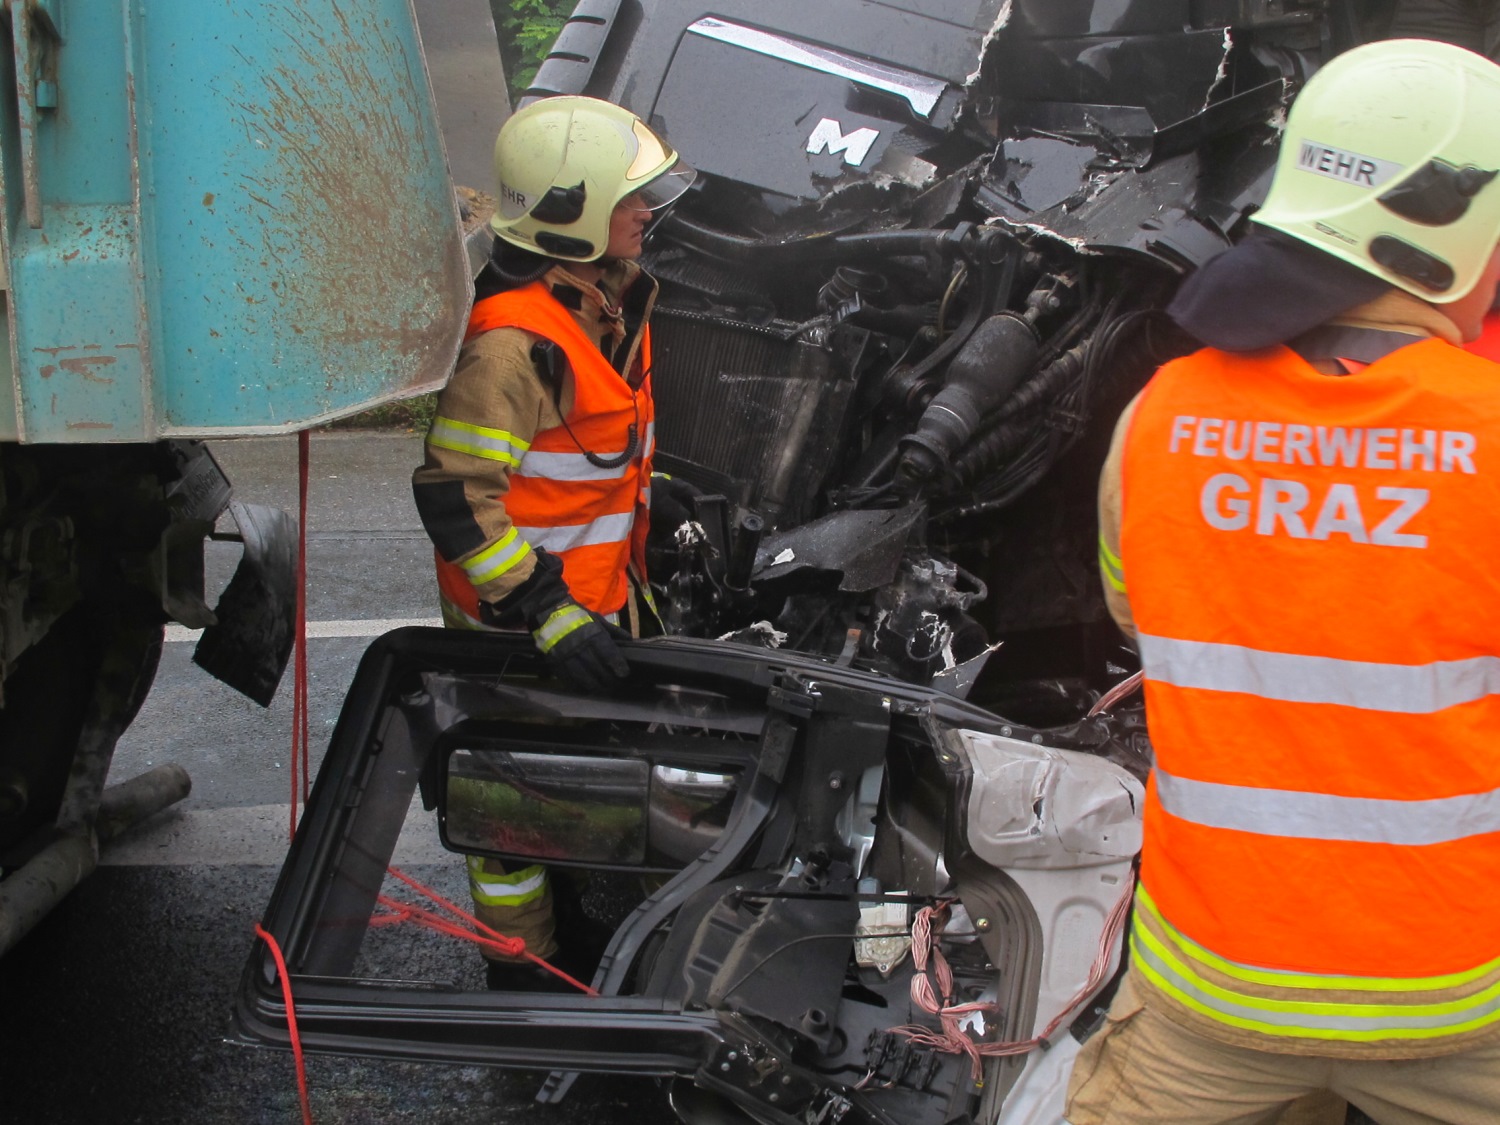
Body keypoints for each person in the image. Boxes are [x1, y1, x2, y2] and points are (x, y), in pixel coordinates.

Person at [1073, 38, 1500, 1124]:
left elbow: (1139, 615)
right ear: (1455, 237)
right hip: (1463, 1001)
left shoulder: (1159, 416)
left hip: (1211, 996)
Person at [412, 95, 694, 989]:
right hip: (518, 625)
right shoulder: (509, 351)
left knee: (586, 771)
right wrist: (544, 609)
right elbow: (457, 499)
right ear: (572, 215)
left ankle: (582, 914)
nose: (645, 210)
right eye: (628, 196)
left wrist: (657, 499)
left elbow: (589, 456)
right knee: (509, 806)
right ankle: (523, 972)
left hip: (593, 600)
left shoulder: (607, 305)